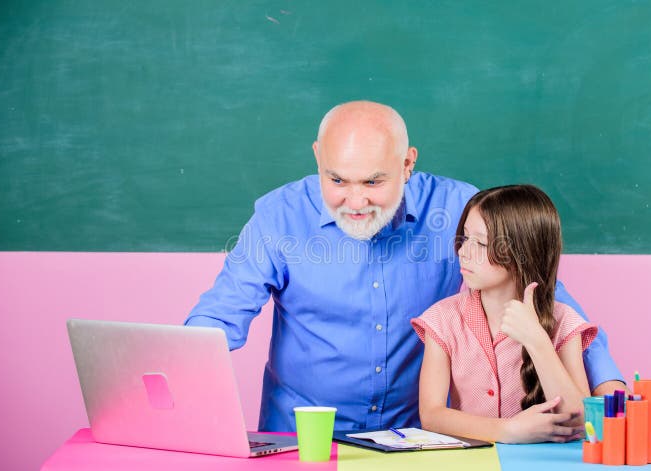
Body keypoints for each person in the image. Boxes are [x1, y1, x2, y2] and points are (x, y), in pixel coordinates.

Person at [184, 100, 625, 434]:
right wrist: (174, 370)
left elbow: (546, 296)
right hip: (302, 439)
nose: (355, 203)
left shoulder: (458, 208)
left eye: (374, 181)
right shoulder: (278, 217)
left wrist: (609, 389)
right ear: (318, 157)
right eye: (336, 180)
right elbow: (221, 313)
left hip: (417, 442)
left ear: (408, 162)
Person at [412, 185, 594, 443]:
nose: (463, 251)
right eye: (464, 238)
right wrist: (507, 430)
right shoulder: (443, 319)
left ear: (523, 251)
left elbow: (578, 420)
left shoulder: (563, 321)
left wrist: (537, 341)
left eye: (480, 242)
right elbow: (431, 415)